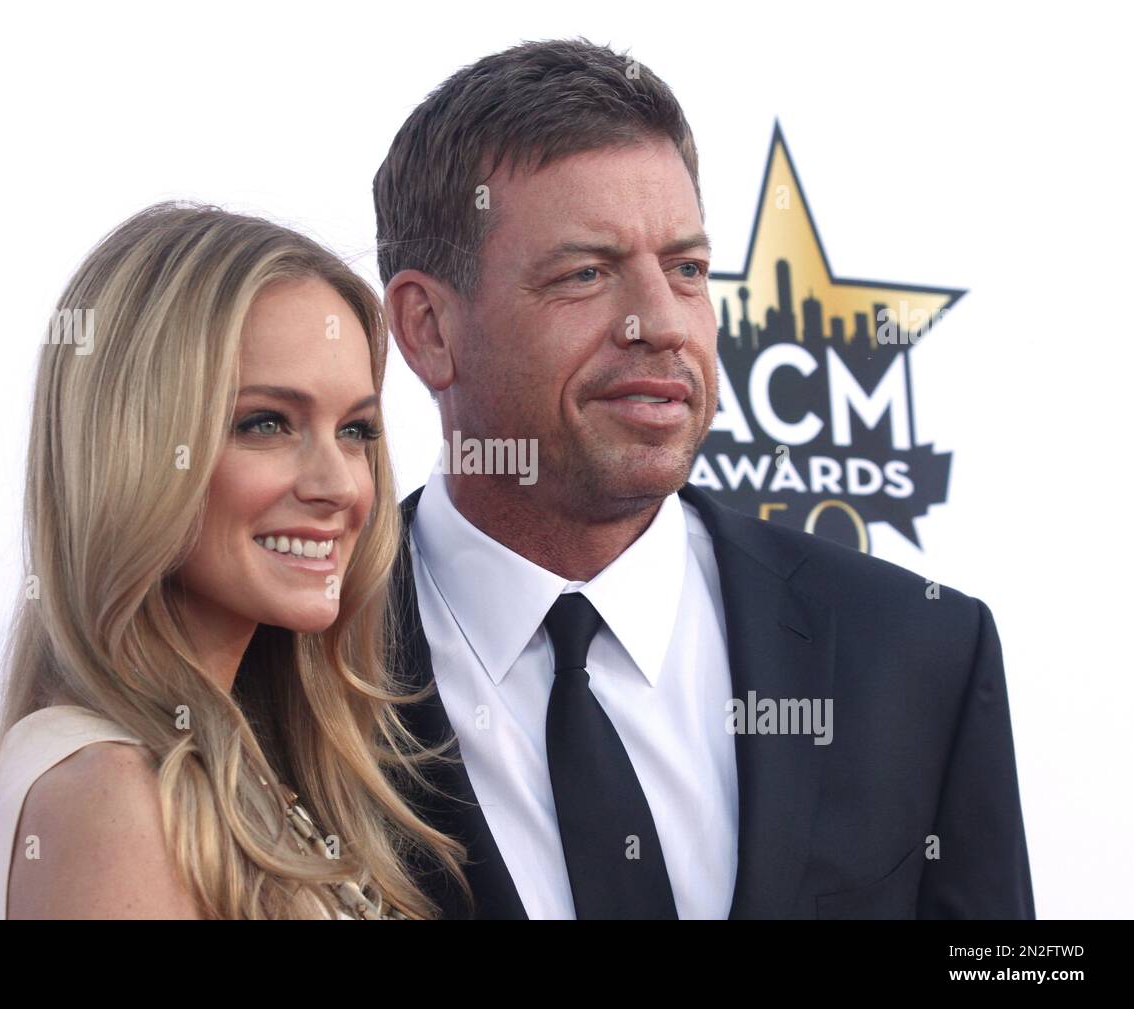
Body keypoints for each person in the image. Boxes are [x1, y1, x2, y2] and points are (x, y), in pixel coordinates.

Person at [373, 38, 1034, 919]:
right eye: (586, 274)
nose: (661, 323)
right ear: (427, 329)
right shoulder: (284, 663)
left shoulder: (916, 652)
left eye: (686, 268)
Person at [0, 202, 466, 919]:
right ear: (134, 448)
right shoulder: (115, 798)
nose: (339, 486)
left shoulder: (215, 766)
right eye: (266, 422)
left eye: (356, 429)